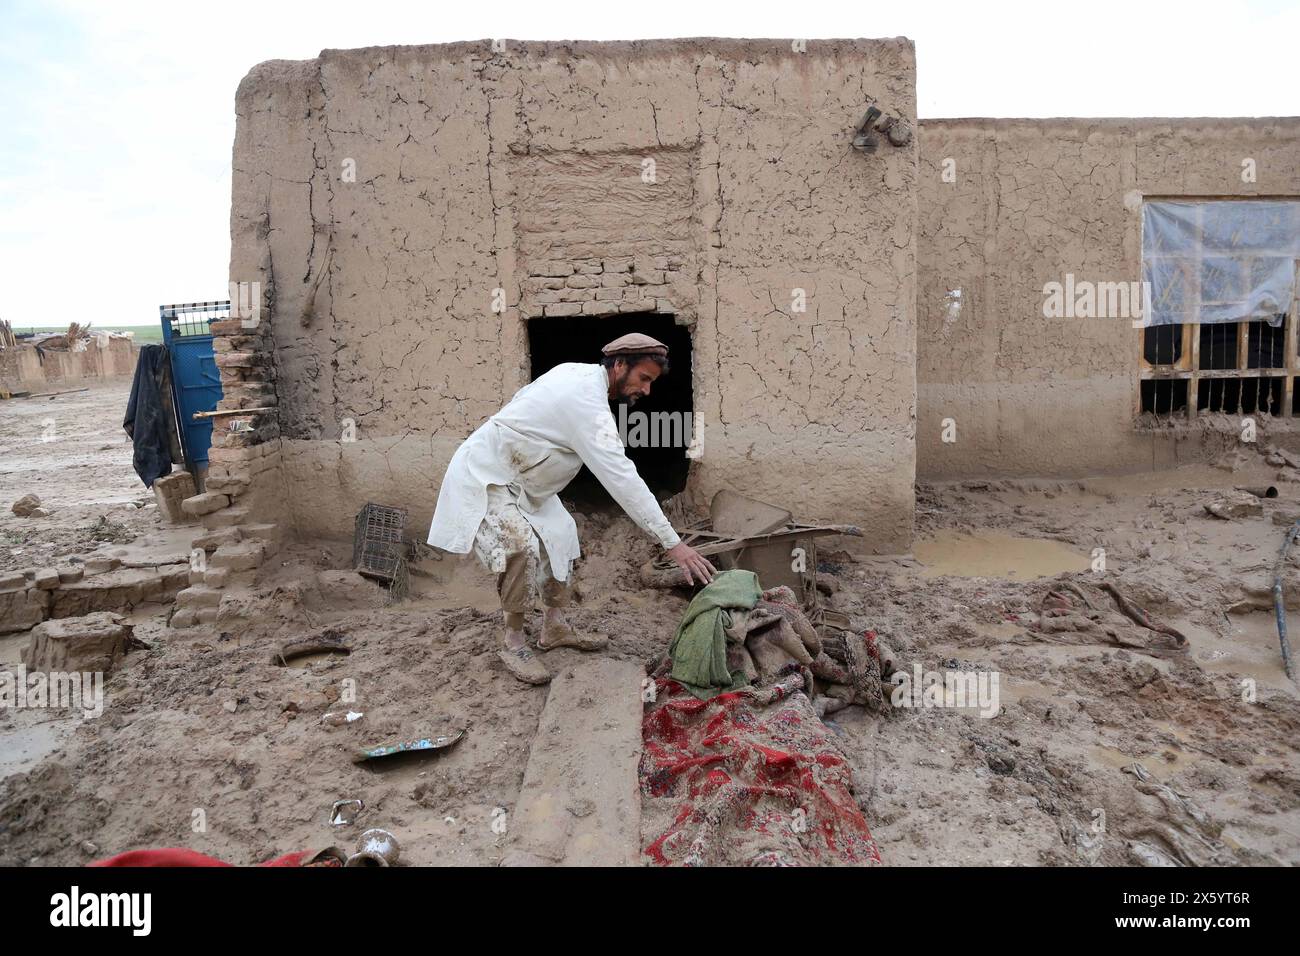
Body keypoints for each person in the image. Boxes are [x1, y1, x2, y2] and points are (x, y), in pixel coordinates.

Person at [428, 332, 716, 684]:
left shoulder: (576, 375)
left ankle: (554, 627)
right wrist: (673, 543)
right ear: (620, 365)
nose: (647, 390)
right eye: (644, 378)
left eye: (652, 382)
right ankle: (514, 641)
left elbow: (523, 401)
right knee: (519, 546)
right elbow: (622, 478)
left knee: (562, 534)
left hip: (527, 483)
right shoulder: (584, 402)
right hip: (489, 475)